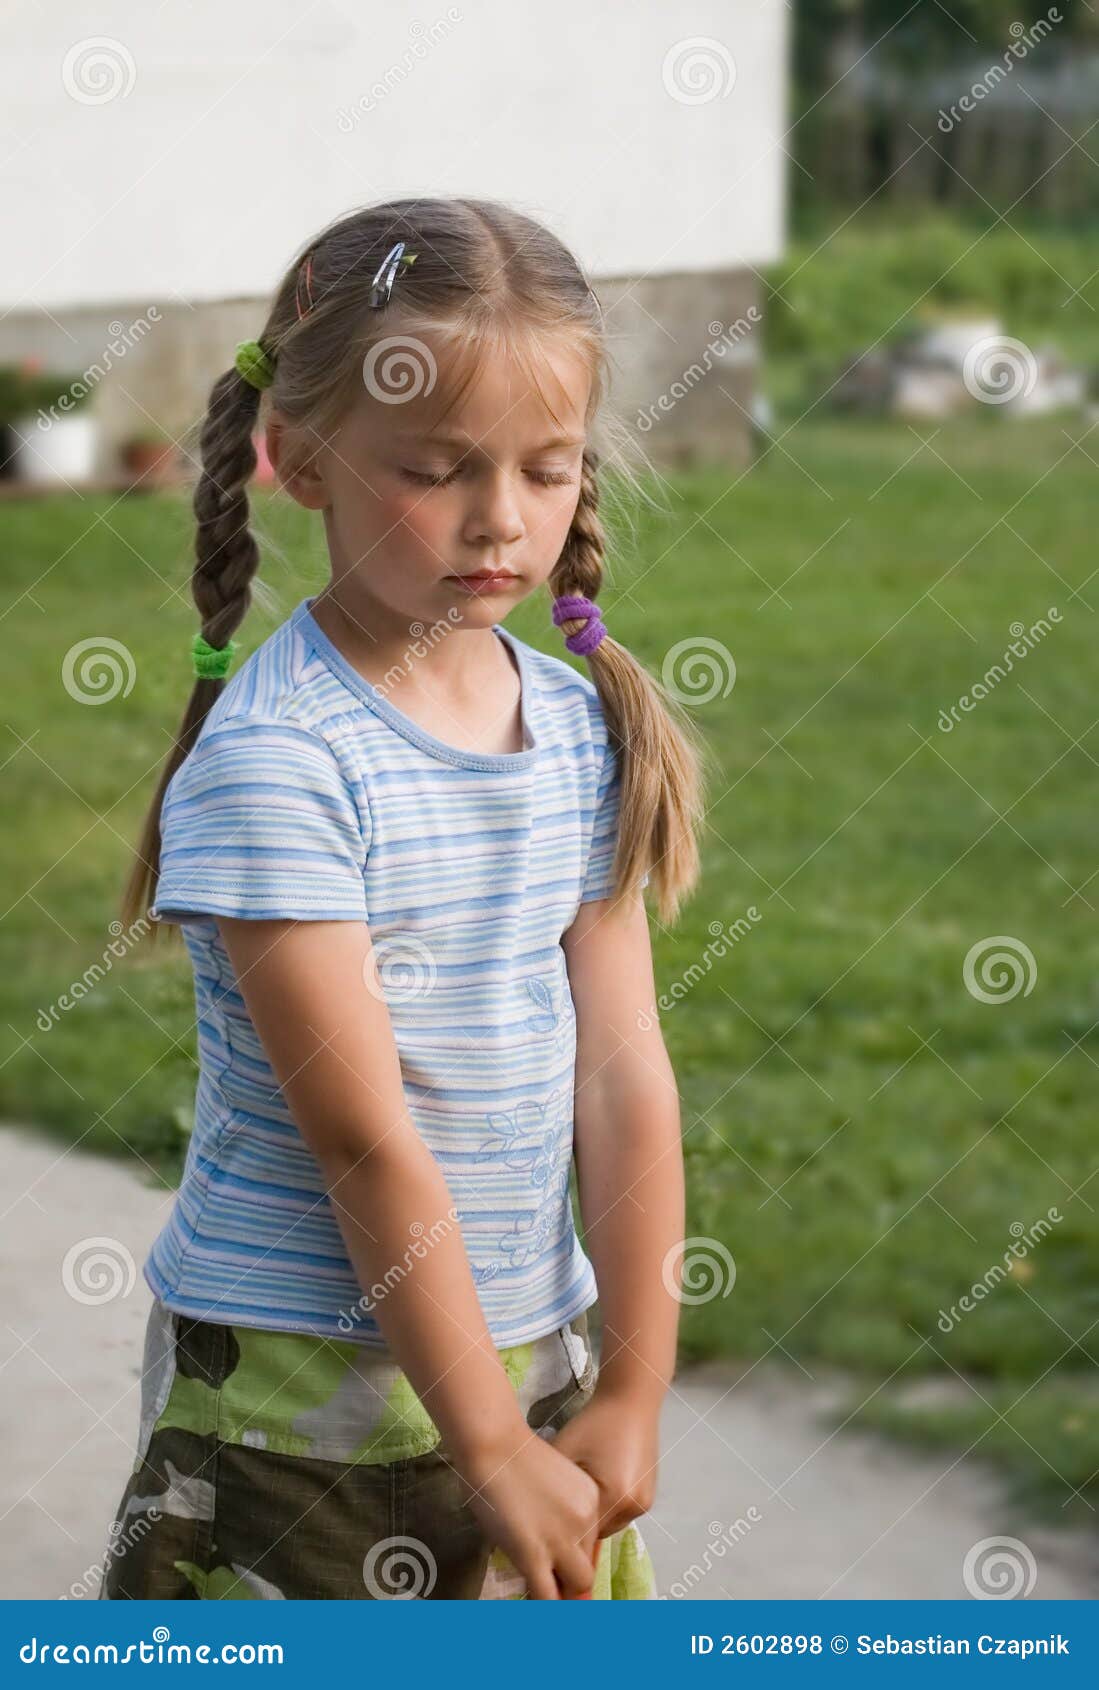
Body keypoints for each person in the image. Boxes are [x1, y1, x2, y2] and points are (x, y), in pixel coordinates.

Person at [100, 197, 706, 1601]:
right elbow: (365, 1142)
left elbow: (626, 1078)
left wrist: (631, 1381)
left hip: (525, 1352)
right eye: (437, 470)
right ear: (299, 460)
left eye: (548, 471)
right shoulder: (282, 762)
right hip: (292, 1404)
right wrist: (486, 1441)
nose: (502, 517)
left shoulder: (575, 731)